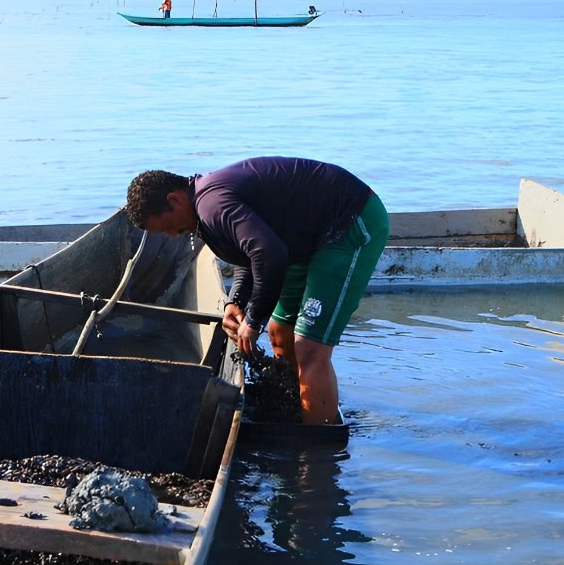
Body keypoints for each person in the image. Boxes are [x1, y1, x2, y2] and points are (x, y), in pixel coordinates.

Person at [126, 157, 389, 425]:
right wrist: (235, 303)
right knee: (279, 333)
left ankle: (317, 450)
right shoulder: (203, 208)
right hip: (304, 238)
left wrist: (253, 321)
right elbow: (249, 255)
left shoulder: (212, 205)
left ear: (174, 200)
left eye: (167, 226)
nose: (173, 234)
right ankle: (296, 412)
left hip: (349, 220)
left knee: (310, 348)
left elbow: (268, 253)